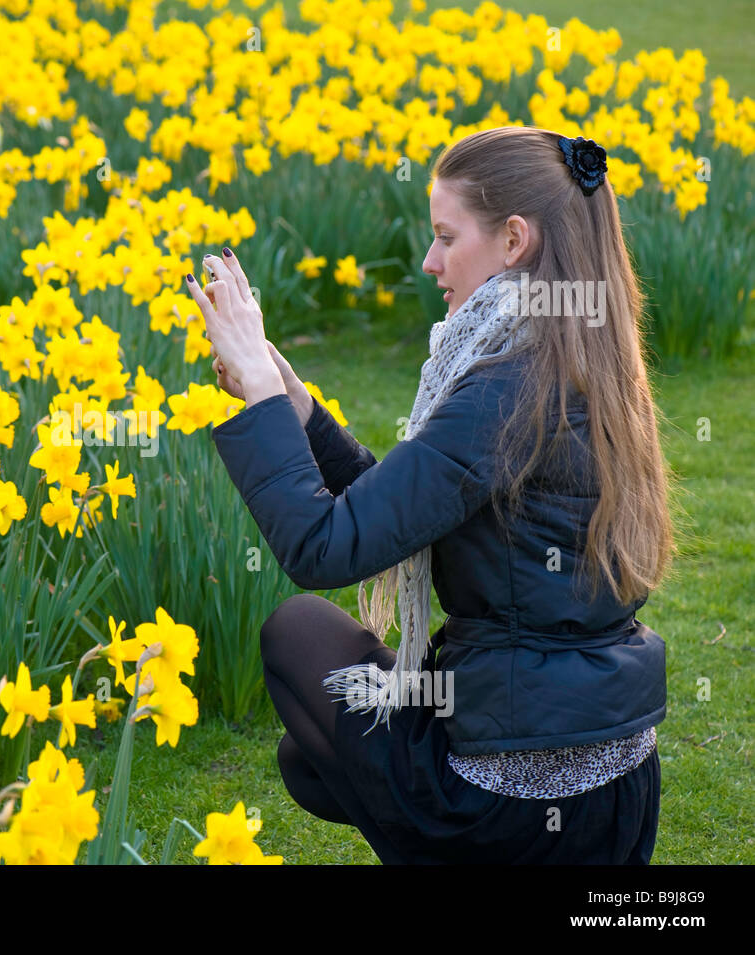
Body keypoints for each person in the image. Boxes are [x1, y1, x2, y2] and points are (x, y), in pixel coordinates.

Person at [183, 126, 676, 864]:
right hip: (616, 793)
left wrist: (255, 394)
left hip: (516, 802)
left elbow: (323, 546)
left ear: (514, 240)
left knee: (297, 635)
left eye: (447, 237)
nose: (430, 262)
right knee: (307, 755)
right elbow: (412, 503)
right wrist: (296, 406)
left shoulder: (507, 382)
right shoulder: (573, 352)